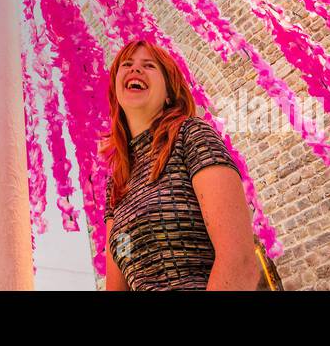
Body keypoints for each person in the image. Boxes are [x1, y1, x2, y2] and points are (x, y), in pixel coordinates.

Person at [103, 38, 260, 290]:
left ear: (168, 94)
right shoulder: (117, 181)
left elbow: (239, 262)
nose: (135, 69)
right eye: (127, 64)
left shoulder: (191, 135)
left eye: (149, 66)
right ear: (116, 93)